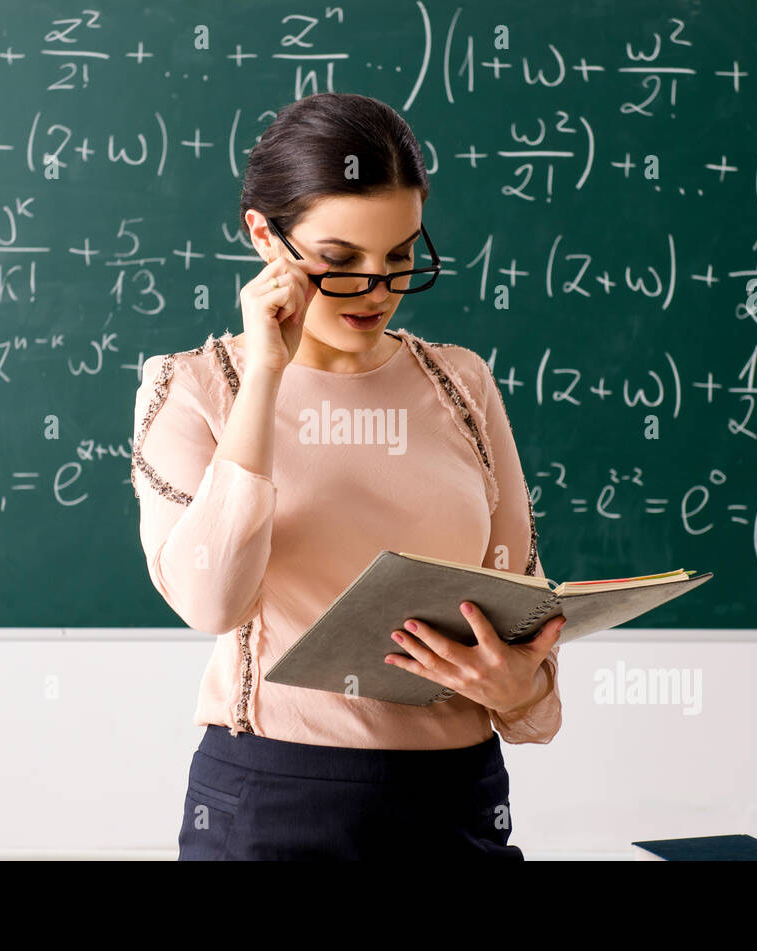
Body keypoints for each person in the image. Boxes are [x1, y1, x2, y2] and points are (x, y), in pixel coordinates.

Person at [131, 92, 566, 860]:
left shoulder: (461, 385)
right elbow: (210, 600)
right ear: (265, 236)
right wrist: (267, 375)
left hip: (457, 801)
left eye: (400, 256)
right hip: (277, 800)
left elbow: (523, 620)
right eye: (340, 263)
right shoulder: (194, 388)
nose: (377, 289)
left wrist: (520, 690)